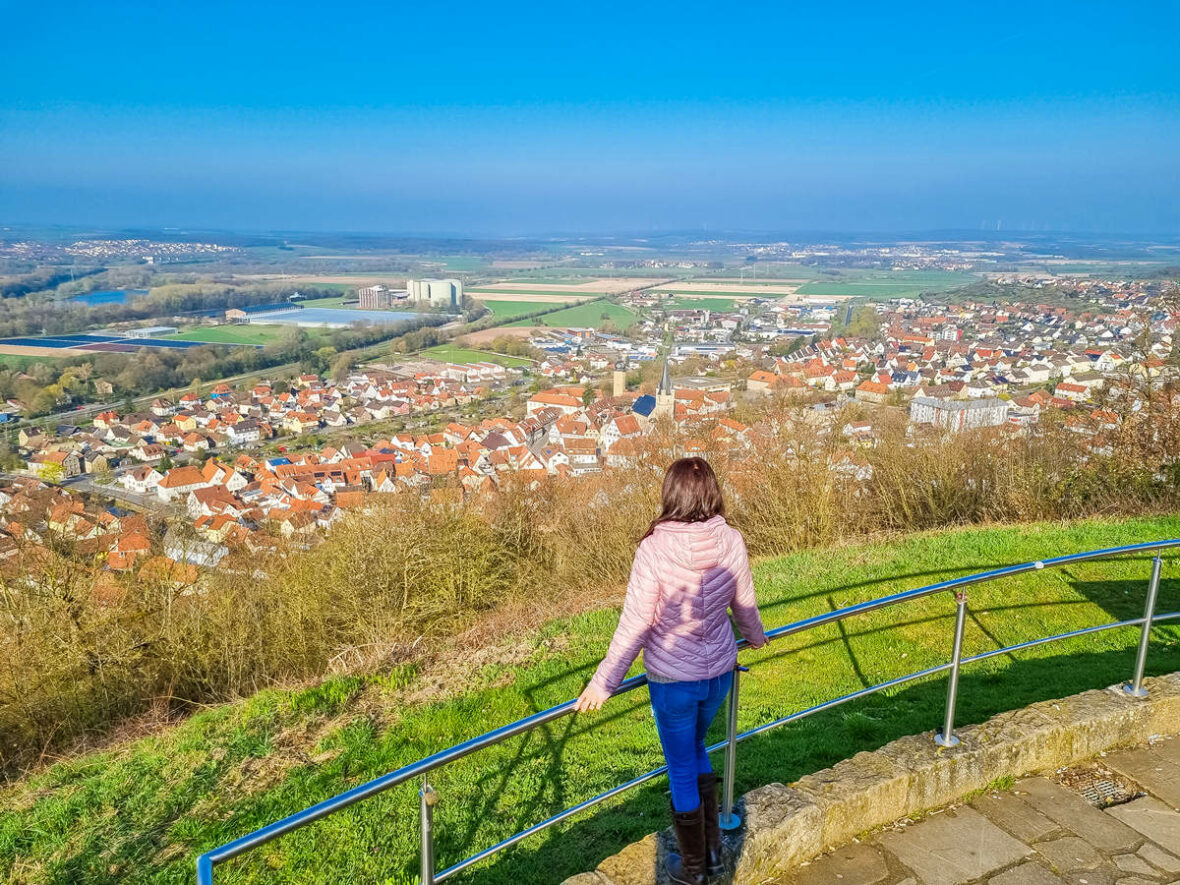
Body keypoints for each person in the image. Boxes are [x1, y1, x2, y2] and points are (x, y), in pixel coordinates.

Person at [575, 457, 766, 885]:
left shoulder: (655, 548)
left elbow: (636, 622)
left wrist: (605, 681)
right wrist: (754, 636)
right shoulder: (731, 539)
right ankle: (713, 855)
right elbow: (745, 602)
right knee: (697, 747)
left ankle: (694, 869)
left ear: (670, 495)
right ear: (713, 492)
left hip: (673, 681)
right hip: (718, 672)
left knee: (680, 764)